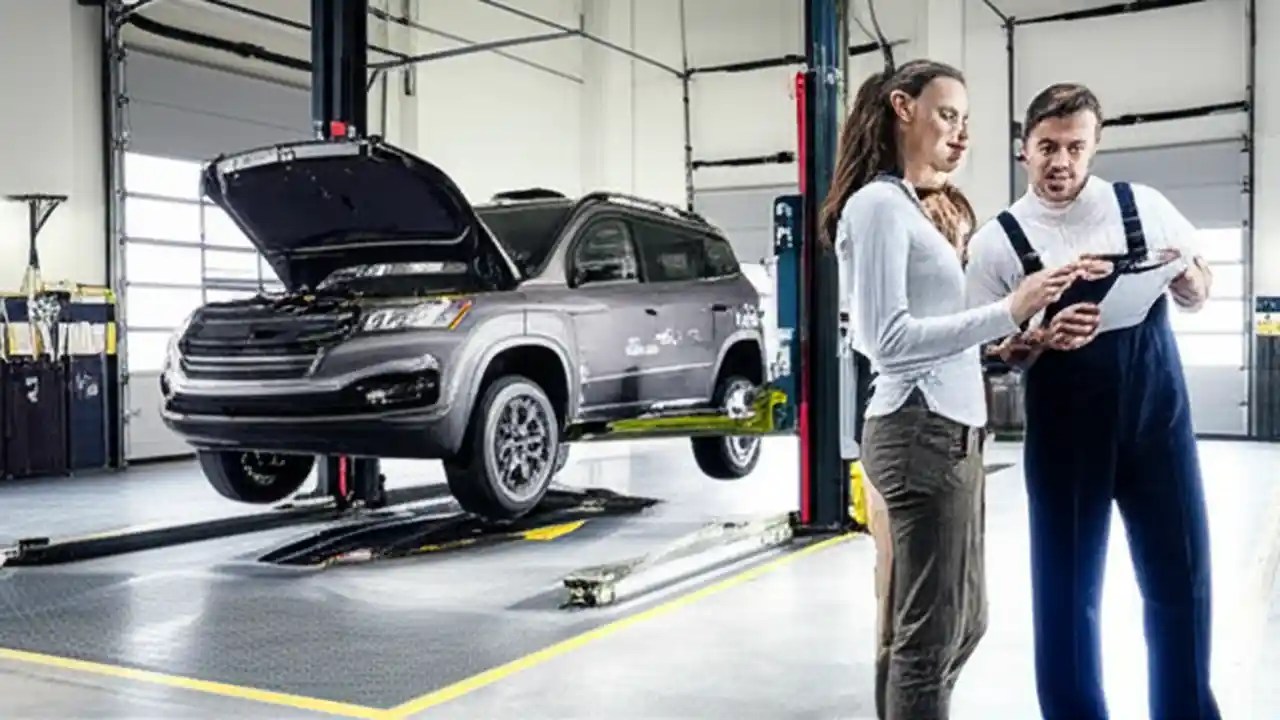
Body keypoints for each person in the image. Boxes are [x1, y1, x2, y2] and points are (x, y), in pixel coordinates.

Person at [823, 59, 1083, 720]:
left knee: (963, 624)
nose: (962, 133)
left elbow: (932, 330)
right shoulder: (877, 205)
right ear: (901, 109)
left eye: (966, 120)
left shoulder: (908, 208)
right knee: (929, 640)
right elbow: (885, 340)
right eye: (948, 115)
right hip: (920, 431)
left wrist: (1004, 344)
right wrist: (1009, 309)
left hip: (951, 429)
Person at [964, 82, 1219, 720]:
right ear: (1024, 149)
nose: (1061, 161)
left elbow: (1200, 283)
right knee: (1066, 591)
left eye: (1075, 147)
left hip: (1157, 412)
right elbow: (981, 348)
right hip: (1065, 422)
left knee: (1182, 576)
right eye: (1047, 146)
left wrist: (1189, 281)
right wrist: (1035, 339)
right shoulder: (998, 241)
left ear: (1095, 146)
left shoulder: (1143, 207)